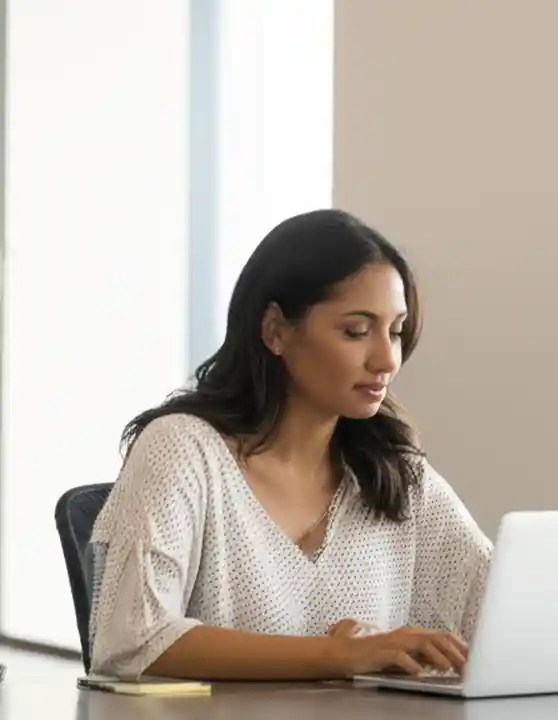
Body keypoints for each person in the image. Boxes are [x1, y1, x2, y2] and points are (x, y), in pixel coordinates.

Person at [88, 209, 491, 680]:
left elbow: (501, 615)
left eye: (396, 331)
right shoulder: (183, 449)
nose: (386, 359)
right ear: (275, 330)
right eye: (356, 331)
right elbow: (133, 641)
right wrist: (338, 655)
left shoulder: (399, 475)